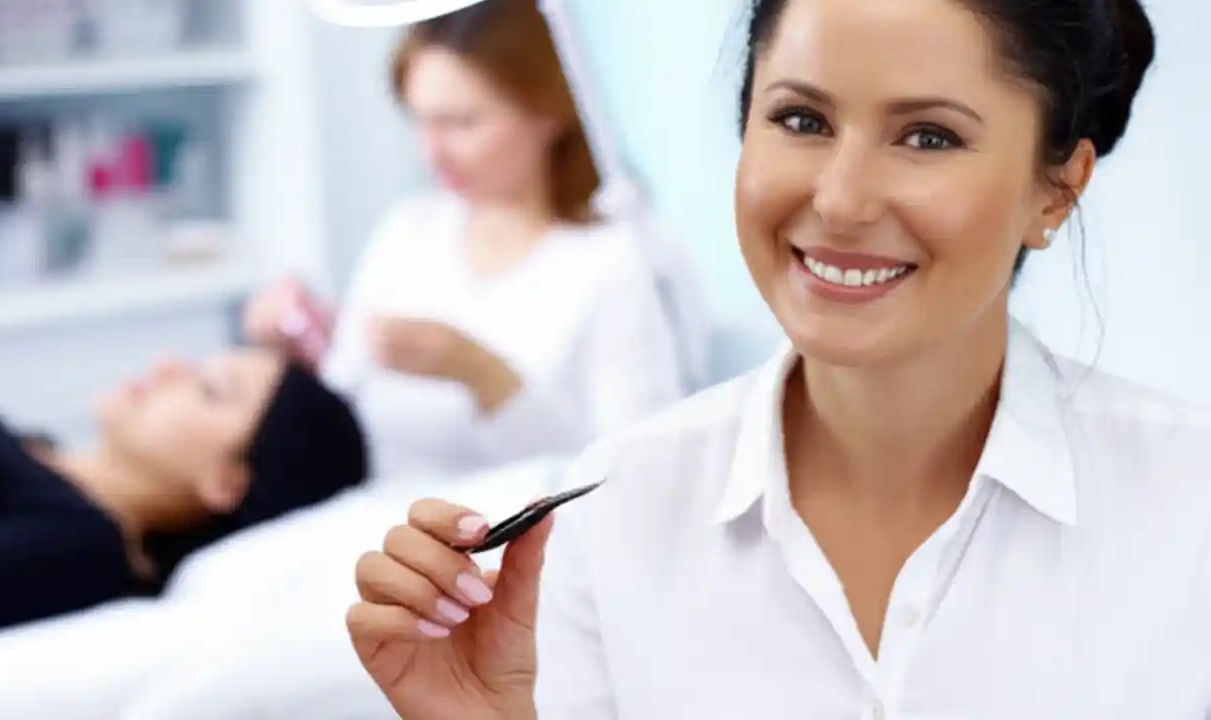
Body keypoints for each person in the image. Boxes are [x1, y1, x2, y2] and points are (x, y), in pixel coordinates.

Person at [347, 0, 1211, 716]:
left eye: (928, 137)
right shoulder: (614, 515)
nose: (839, 200)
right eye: (802, 120)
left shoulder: (1188, 508)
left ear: (1057, 188)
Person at [243, 0, 687, 479]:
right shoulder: (409, 229)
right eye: (420, 120)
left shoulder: (619, 260)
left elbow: (639, 468)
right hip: (379, 509)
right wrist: (295, 353)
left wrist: (485, 376)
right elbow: (346, 396)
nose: (433, 152)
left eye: (461, 122)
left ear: (547, 112)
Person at [0, 348, 365, 643]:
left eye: (210, 390)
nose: (167, 366)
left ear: (225, 484)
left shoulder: (83, 546)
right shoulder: (35, 458)